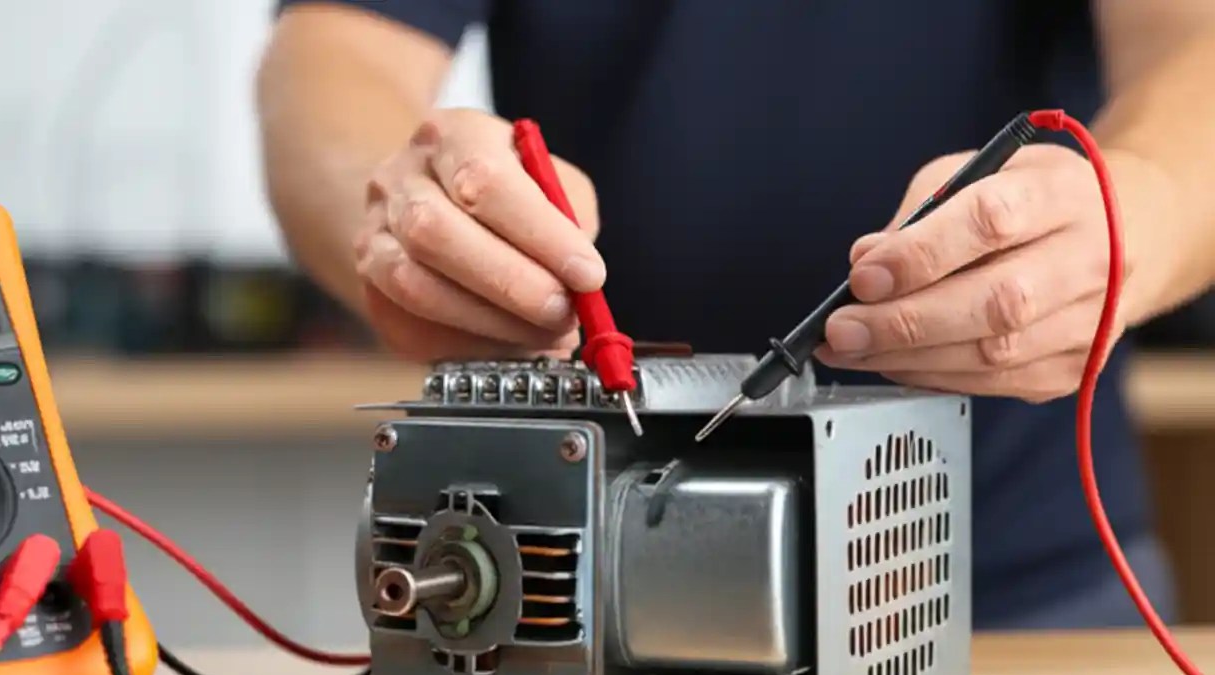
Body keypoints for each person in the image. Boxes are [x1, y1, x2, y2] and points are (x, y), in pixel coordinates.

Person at [256, 1, 1215, 629]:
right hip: (587, 610)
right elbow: (335, 58)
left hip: (1019, 597)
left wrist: (1137, 211)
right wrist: (402, 215)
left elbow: (1193, 48)